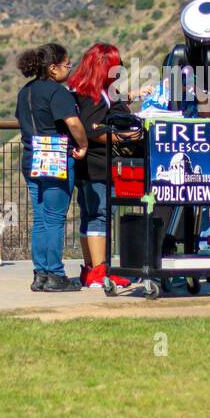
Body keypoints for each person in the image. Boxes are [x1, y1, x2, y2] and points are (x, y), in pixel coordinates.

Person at [16, 43, 89, 292]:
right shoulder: (57, 92)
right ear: (53, 67)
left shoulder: (25, 91)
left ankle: (41, 273)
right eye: (67, 64)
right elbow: (73, 122)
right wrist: (83, 144)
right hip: (56, 155)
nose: (70, 68)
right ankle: (56, 274)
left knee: (40, 218)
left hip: (30, 156)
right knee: (55, 218)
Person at [67, 42, 137, 292]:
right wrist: (124, 138)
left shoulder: (79, 90)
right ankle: (99, 270)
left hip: (85, 165)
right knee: (99, 215)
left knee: (88, 215)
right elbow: (92, 128)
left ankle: (90, 268)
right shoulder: (95, 95)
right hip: (98, 163)